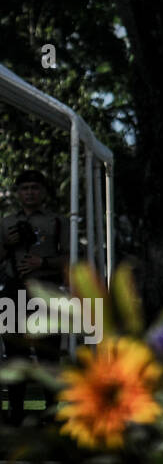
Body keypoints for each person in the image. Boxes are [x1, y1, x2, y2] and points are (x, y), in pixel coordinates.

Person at [1, 169, 68, 425]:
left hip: (47, 290)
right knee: (14, 354)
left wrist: (44, 261)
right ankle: (15, 416)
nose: (30, 192)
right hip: (13, 289)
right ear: (18, 193)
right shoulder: (5, 222)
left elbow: (73, 257)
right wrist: (7, 244)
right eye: (25, 188)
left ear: (44, 192)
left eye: (35, 187)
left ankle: (52, 416)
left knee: (48, 353)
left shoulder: (58, 221)